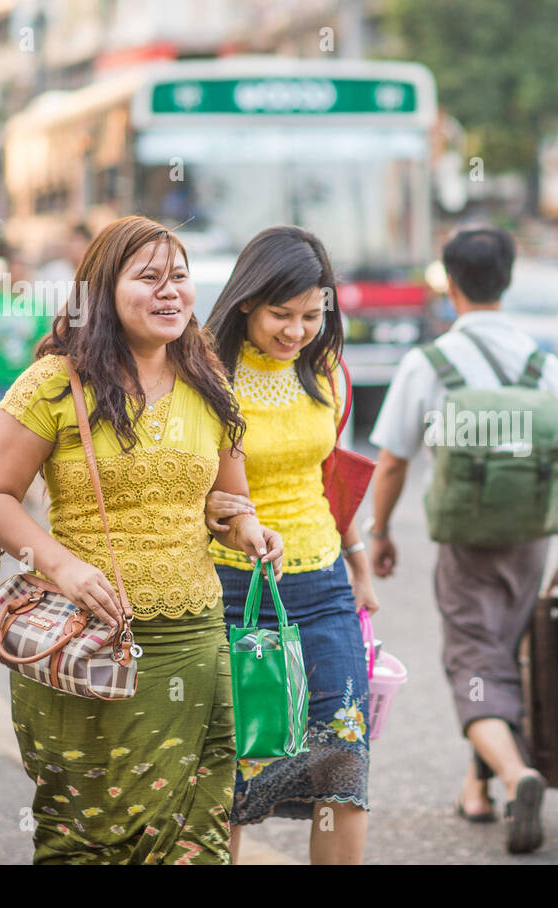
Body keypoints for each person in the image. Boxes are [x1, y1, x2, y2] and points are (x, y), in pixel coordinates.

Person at [0, 215, 283, 865]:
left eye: (180, 277)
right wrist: (64, 568)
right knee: (86, 834)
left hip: (195, 645)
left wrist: (251, 529)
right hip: (88, 644)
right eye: (149, 278)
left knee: (196, 835)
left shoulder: (210, 384)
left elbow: (231, 502)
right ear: (104, 291)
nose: (170, 292)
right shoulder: (56, 383)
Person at [367, 227, 558, 854]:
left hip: (465, 542)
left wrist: (379, 534)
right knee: (506, 659)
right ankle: (477, 788)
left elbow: (391, 463)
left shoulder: (429, 363)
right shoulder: (543, 366)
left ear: (450, 281)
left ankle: (516, 777)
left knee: (473, 663)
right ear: (510, 280)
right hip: (531, 541)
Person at [204, 226, 377, 866]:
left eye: (311, 315)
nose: (296, 330)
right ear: (247, 299)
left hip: (323, 583)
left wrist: (358, 564)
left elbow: (329, 475)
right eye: (281, 313)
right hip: (227, 588)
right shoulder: (202, 371)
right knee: (227, 767)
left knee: (342, 761)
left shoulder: (326, 370)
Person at [0, 250, 54, 434]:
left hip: (21, 381)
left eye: (22, 271)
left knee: (16, 434)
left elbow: (40, 344)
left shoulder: (36, 306)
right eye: (14, 270)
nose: (18, 275)